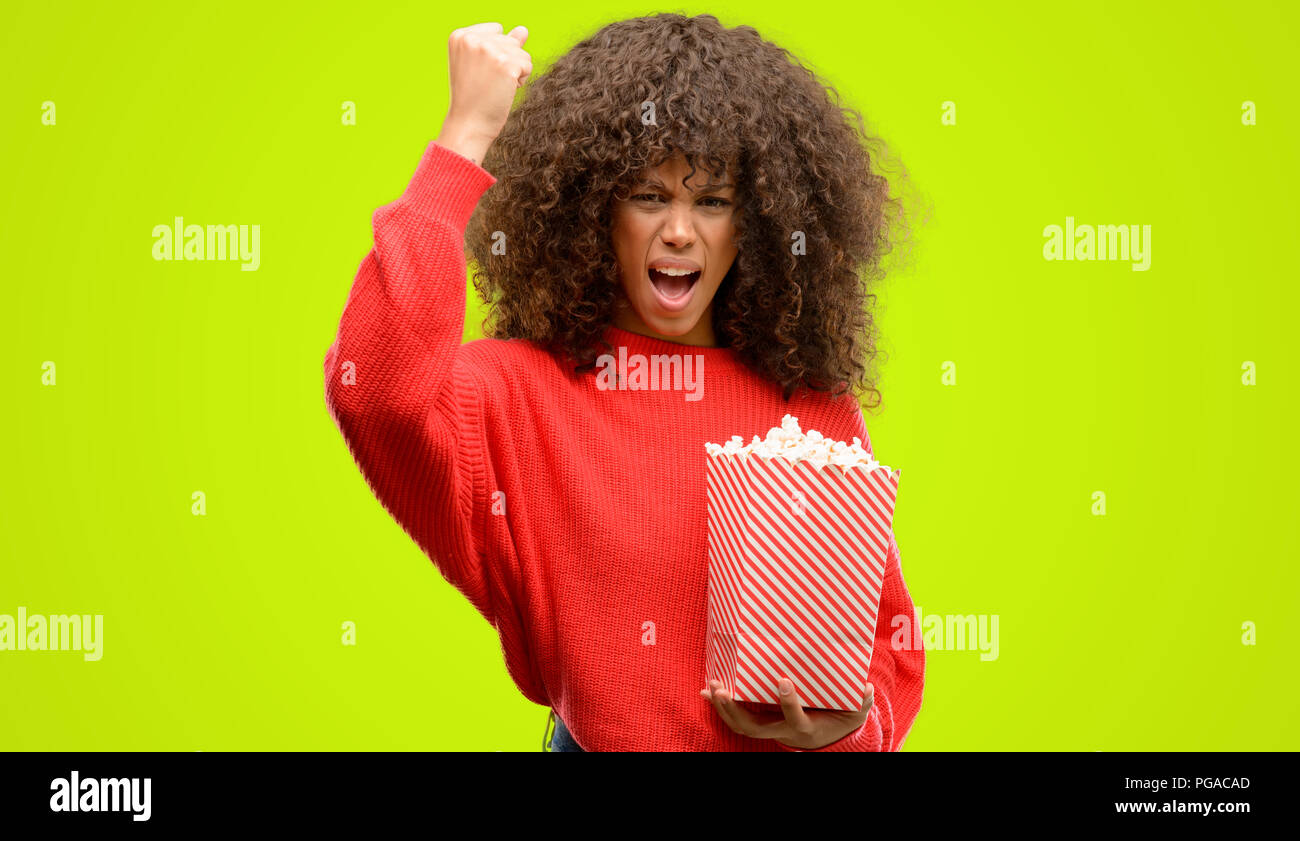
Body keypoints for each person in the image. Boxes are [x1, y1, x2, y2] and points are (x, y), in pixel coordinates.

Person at [324, 13, 923, 751]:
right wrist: (464, 136)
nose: (679, 231)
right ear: (593, 211)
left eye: (711, 201)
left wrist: (843, 732)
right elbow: (372, 388)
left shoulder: (808, 409)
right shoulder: (512, 392)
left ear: (757, 221)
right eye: (648, 196)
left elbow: (888, 655)